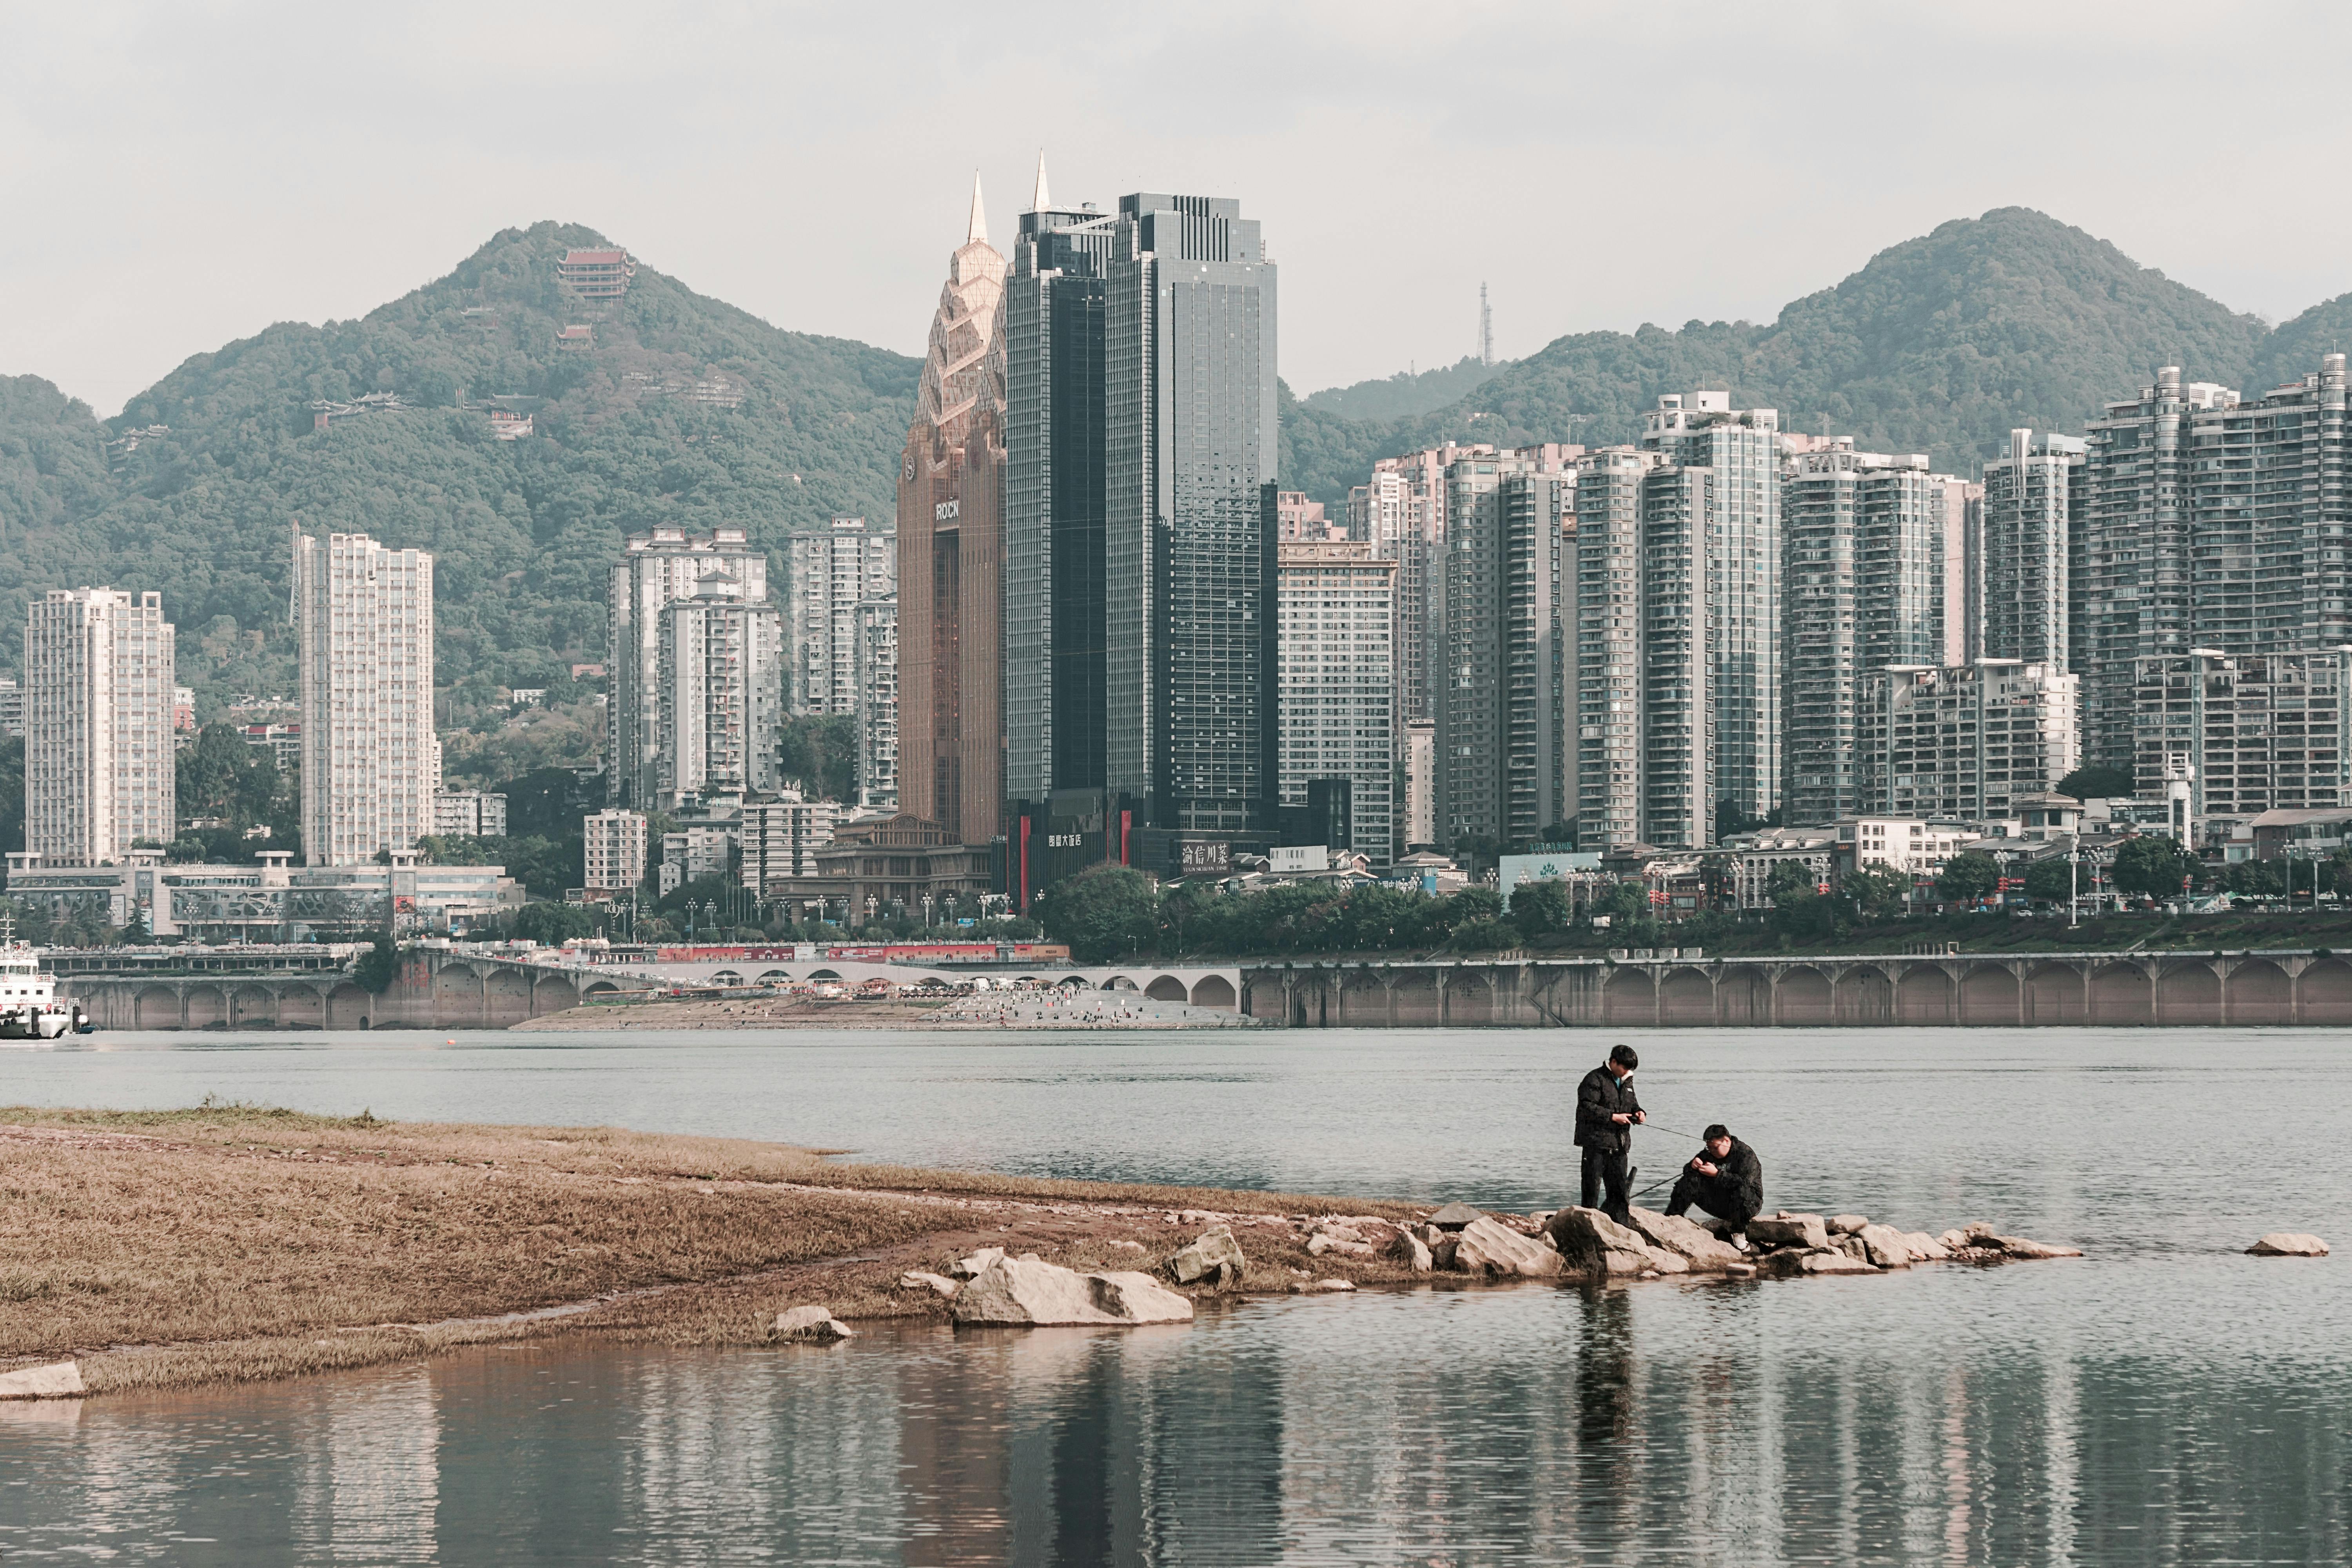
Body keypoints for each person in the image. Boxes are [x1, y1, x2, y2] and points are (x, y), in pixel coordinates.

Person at [1575, 1044, 1645, 1224]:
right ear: (1613, 1062)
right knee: (1592, 1190)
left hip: (1620, 1145)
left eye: (1630, 1069)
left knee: (1620, 1192)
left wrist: (1639, 1113)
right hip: (1596, 1144)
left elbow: (1632, 1104)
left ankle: (1622, 1224)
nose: (1627, 1071)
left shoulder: (1627, 1081)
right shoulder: (1594, 1079)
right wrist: (1613, 1117)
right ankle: (1588, 1225)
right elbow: (1586, 1107)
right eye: (1625, 1067)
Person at [1665, 1123, 1763, 1249]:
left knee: (1741, 1190)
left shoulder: (1745, 1154)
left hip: (1749, 1204)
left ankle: (1739, 1234)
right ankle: (1673, 1218)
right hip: (1720, 1202)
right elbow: (1687, 1172)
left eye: (1715, 1148)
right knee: (1688, 1181)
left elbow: (1743, 1182)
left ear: (1726, 1141)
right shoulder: (1708, 1153)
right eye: (1709, 1147)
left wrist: (1717, 1174)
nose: (1712, 1151)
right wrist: (1692, 1166)